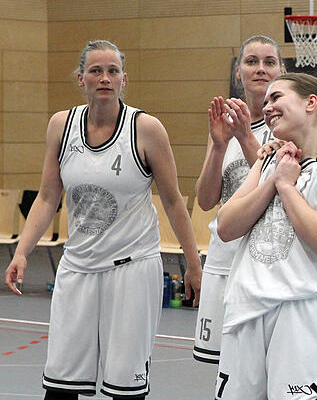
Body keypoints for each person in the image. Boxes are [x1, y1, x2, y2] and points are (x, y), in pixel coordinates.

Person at [3, 40, 202, 400]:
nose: (105, 78)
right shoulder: (60, 126)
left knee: (124, 387)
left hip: (131, 269)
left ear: (124, 79)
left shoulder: (146, 128)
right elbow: (48, 196)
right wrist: (21, 252)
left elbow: (173, 201)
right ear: (81, 78)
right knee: (60, 385)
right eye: (96, 70)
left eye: (112, 71)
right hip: (77, 267)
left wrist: (192, 263)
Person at [214, 73, 317, 399]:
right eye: (265, 101)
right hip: (246, 309)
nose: (267, 107)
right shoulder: (269, 159)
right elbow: (226, 226)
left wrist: (286, 187)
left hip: (302, 311)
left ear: (311, 103)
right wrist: (273, 180)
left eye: (276, 98)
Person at [192, 35, 283, 365]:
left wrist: (245, 136)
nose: (260, 69)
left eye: (269, 62)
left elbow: (277, 182)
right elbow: (205, 200)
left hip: (268, 261)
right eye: (252, 61)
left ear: (281, 70)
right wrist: (218, 146)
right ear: (238, 72)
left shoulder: (292, 124)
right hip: (223, 259)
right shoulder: (224, 124)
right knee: (225, 374)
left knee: (264, 369)